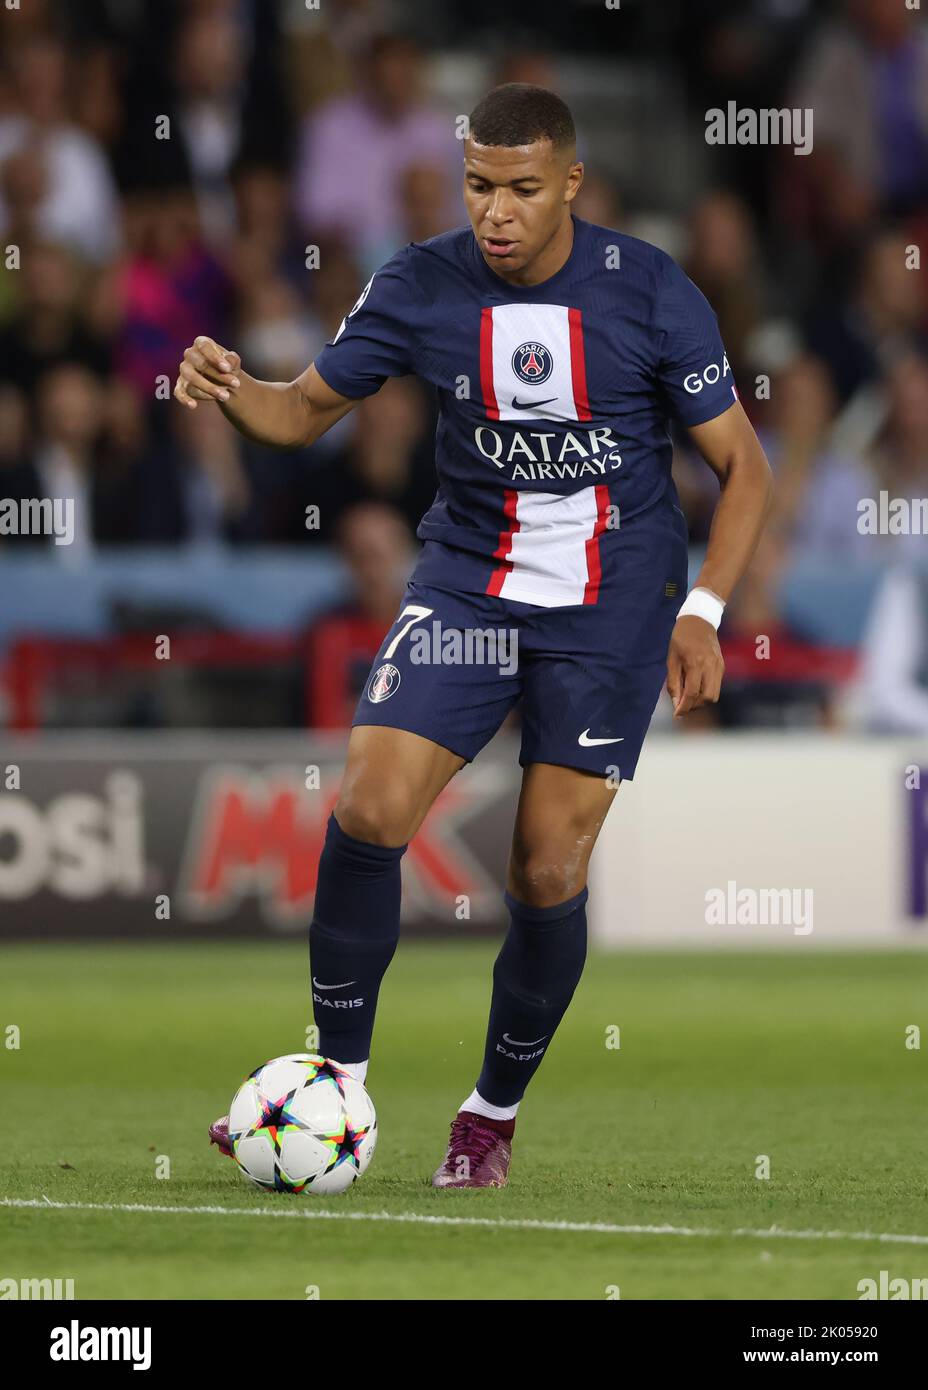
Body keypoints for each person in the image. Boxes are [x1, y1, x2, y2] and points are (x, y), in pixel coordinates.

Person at [174, 84, 772, 1189]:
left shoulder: (649, 290)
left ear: (572, 186)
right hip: (468, 585)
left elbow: (744, 468)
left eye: (523, 189)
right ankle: (336, 1083)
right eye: (480, 187)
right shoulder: (416, 282)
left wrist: (703, 612)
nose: (497, 212)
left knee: (544, 866)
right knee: (369, 801)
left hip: (611, 602)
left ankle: (487, 1117)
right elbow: (300, 409)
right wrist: (231, 389)